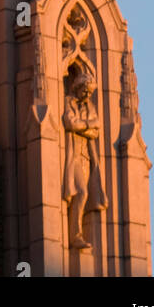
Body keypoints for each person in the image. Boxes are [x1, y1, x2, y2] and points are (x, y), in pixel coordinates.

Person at [62, 67, 107, 249]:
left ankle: (77, 233)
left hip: (86, 156)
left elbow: (96, 132)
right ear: (77, 87)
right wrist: (87, 126)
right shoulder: (68, 101)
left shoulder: (90, 107)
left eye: (90, 92)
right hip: (73, 156)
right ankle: (75, 235)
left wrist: (84, 126)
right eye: (85, 90)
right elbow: (70, 123)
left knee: (86, 193)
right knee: (81, 192)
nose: (88, 94)